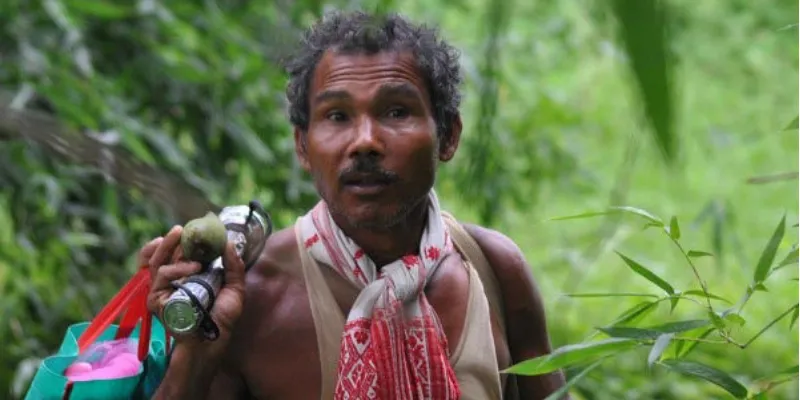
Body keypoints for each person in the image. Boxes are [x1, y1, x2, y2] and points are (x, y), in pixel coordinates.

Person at [143, 10, 567, 400]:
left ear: (449, 136)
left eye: (397, 111)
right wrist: (196, 353)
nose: (365, 141)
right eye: (337, 116)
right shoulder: (253, 296)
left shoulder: (495, 272)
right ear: (302, 145)